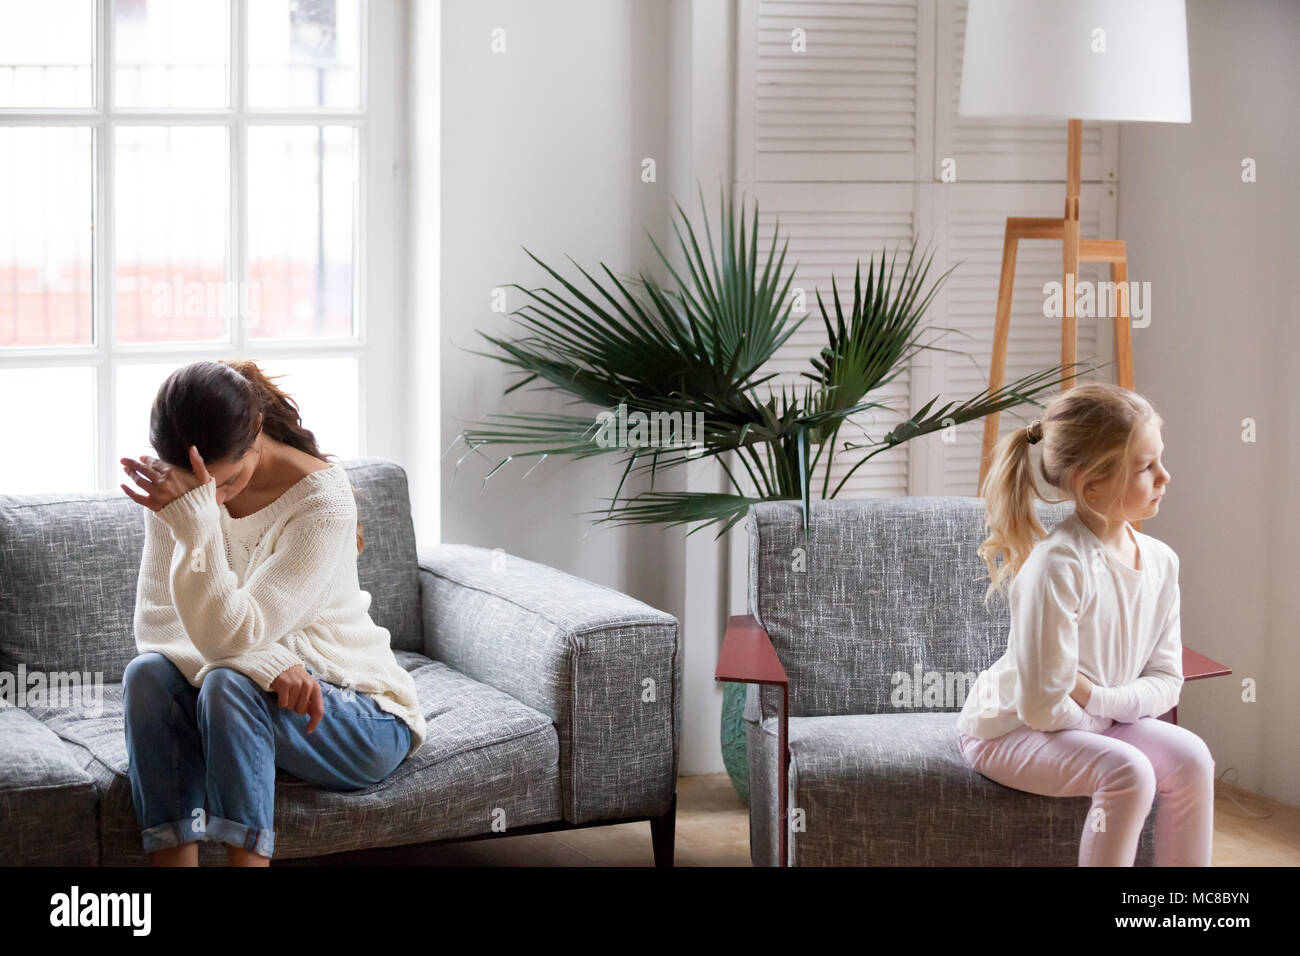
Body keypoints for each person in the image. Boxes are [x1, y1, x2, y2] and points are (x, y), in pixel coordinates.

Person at [118, 358, 426, 867]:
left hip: (359, 711)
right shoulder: (182, 488)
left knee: (228, 684)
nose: (210, 500)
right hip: (264, 692)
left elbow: (237, 632)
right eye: (199, 489)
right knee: (148, 675)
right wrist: (263, 662)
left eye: (225, 482)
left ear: (256, 429)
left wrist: (195, 529)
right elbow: (157, 627)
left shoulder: (322, 501)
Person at [956, 382, 1213, 866]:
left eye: (1160, 460)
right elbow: (1043, 709)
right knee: (1129, 773)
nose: (1165, 476)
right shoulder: (1058, 566)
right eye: (1145, 467)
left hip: (1096, 718)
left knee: (1192, 758)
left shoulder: (1162, 563)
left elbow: (1167, 681)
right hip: (1007, 730)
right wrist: (1109, 713)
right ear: (1090, 482)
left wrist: (1097, 699)